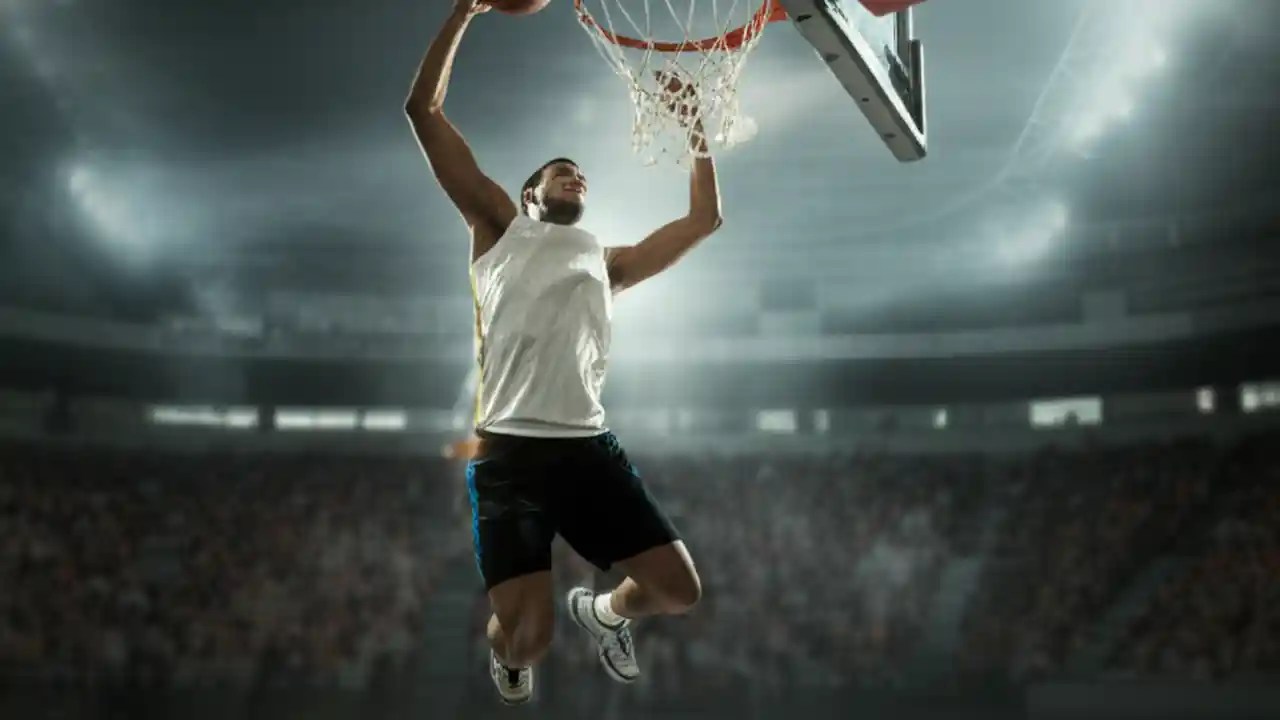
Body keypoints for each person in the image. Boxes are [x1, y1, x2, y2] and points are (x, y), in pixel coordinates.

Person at [404, 0, 722, 706]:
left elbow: (705, 219)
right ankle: (505, 651)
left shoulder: (605, 262)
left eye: (581, 173)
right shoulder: (497, 227)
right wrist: (464, 12)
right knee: (528, 641)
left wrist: (694, 125)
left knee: (679, 591)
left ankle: (604, 613)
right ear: (529, 195)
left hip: (586, 451)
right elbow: (422, 111)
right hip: (509, 454)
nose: (576, 175)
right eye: (560, 171)